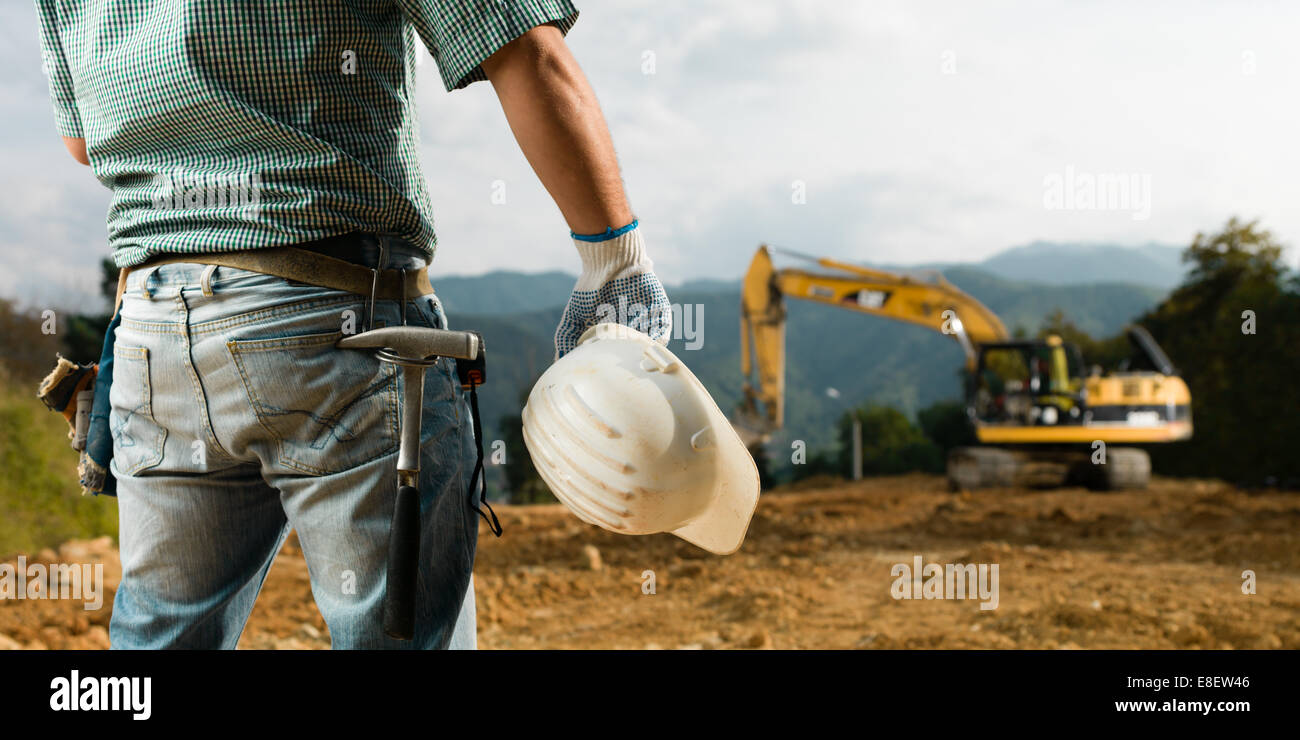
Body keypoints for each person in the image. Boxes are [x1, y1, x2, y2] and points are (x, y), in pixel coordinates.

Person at [33, 0, 671, 649]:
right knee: (395, 636)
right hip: (336, 319)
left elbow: (81, 140)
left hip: (155, 330)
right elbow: (523, 48)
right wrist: (613, 260)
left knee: (161, 636)